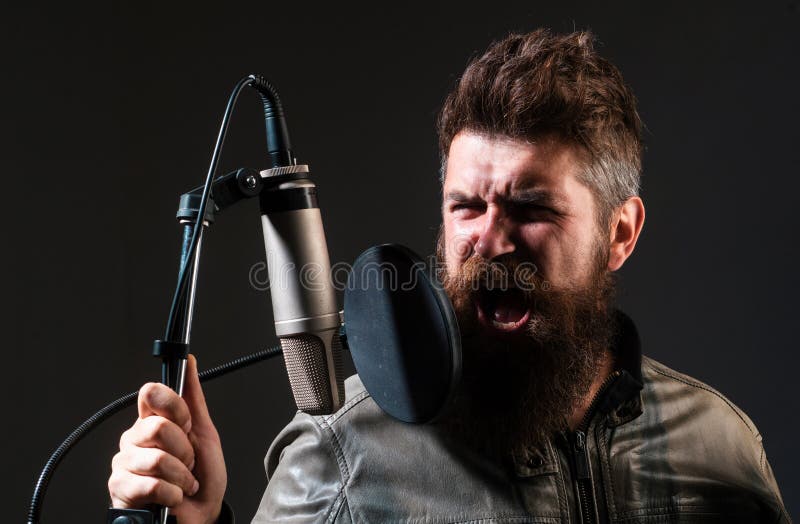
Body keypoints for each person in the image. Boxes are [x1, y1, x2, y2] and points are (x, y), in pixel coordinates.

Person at [108, 29, 790, 523]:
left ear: (620, 234)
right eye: (466, 206)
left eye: (530, 209)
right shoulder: (342, 451)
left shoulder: (722, 449)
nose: (487, 241)